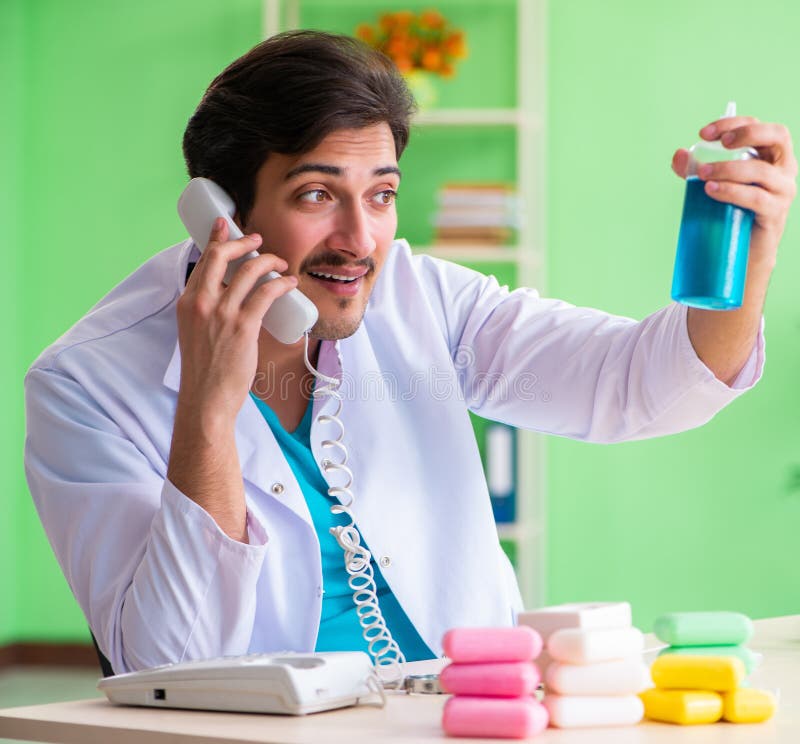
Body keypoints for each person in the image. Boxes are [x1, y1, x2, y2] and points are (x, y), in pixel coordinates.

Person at [24, 30, 796, 676]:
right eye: (317, 195)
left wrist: (750, 261)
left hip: (467, 713)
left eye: (383, 194)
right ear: (220, 214)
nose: (361, 241)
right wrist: (208, 405)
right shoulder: (84, 385)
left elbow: (634, 388)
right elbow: (170, 665)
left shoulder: (424, 300)